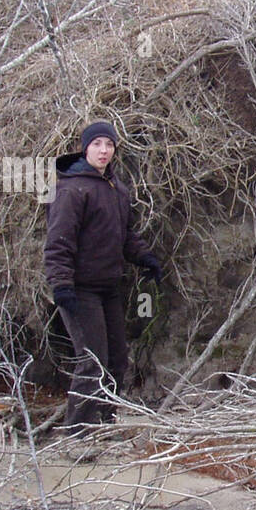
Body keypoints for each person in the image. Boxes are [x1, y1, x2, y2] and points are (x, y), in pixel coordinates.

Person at [44, 120, 161, 430]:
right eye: (97, 144)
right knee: (92, 362)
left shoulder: (117, 189)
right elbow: (58, 242)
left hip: (109, 287)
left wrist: (145, 258)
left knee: (117, 361)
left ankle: (103, 425)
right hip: (79, 290)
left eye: (109, 145)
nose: (104, 150)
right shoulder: (69, 189)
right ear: (85, 148)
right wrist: (61, 284)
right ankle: (76, 434)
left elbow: (125, 234)